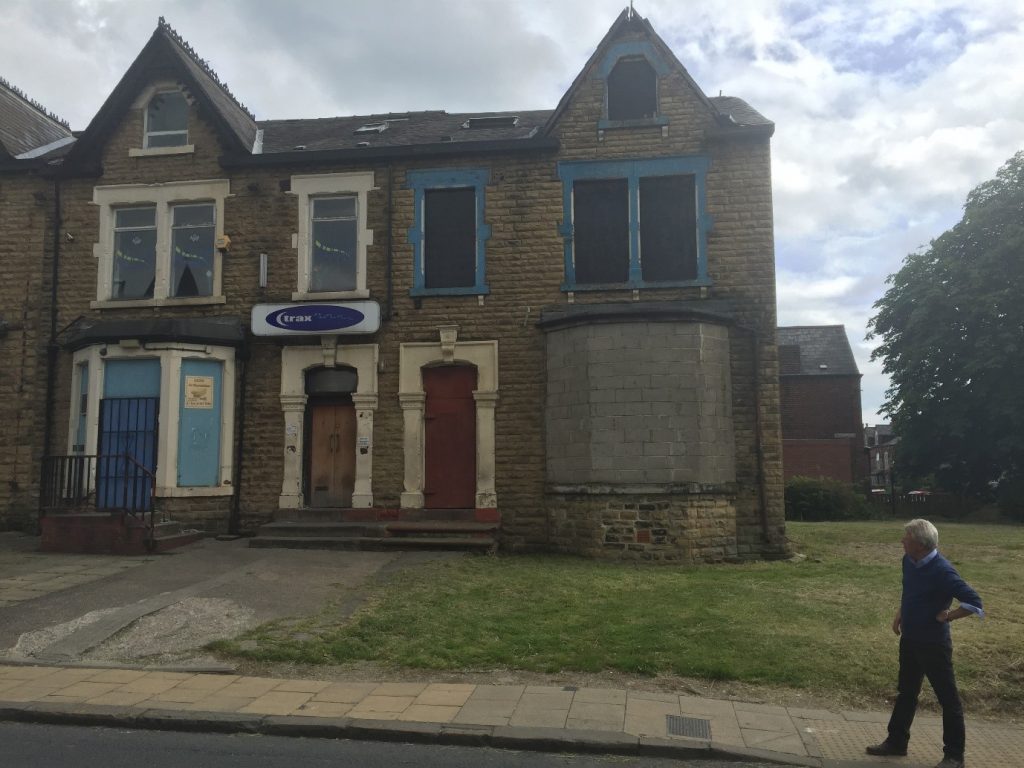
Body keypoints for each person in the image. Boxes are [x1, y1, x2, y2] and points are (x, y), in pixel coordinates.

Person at [867, 518, 984, 768]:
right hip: (910, 640)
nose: (901, 541)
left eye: (906, 538)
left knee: (948, 699)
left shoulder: (943, 571)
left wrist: (949, 615)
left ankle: (954, 756)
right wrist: (901, 613)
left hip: (933, 645)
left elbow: (974, 602)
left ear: (919, 544)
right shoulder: (909, 561)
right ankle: (897, 742)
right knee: (906, 692)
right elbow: (910, 591)